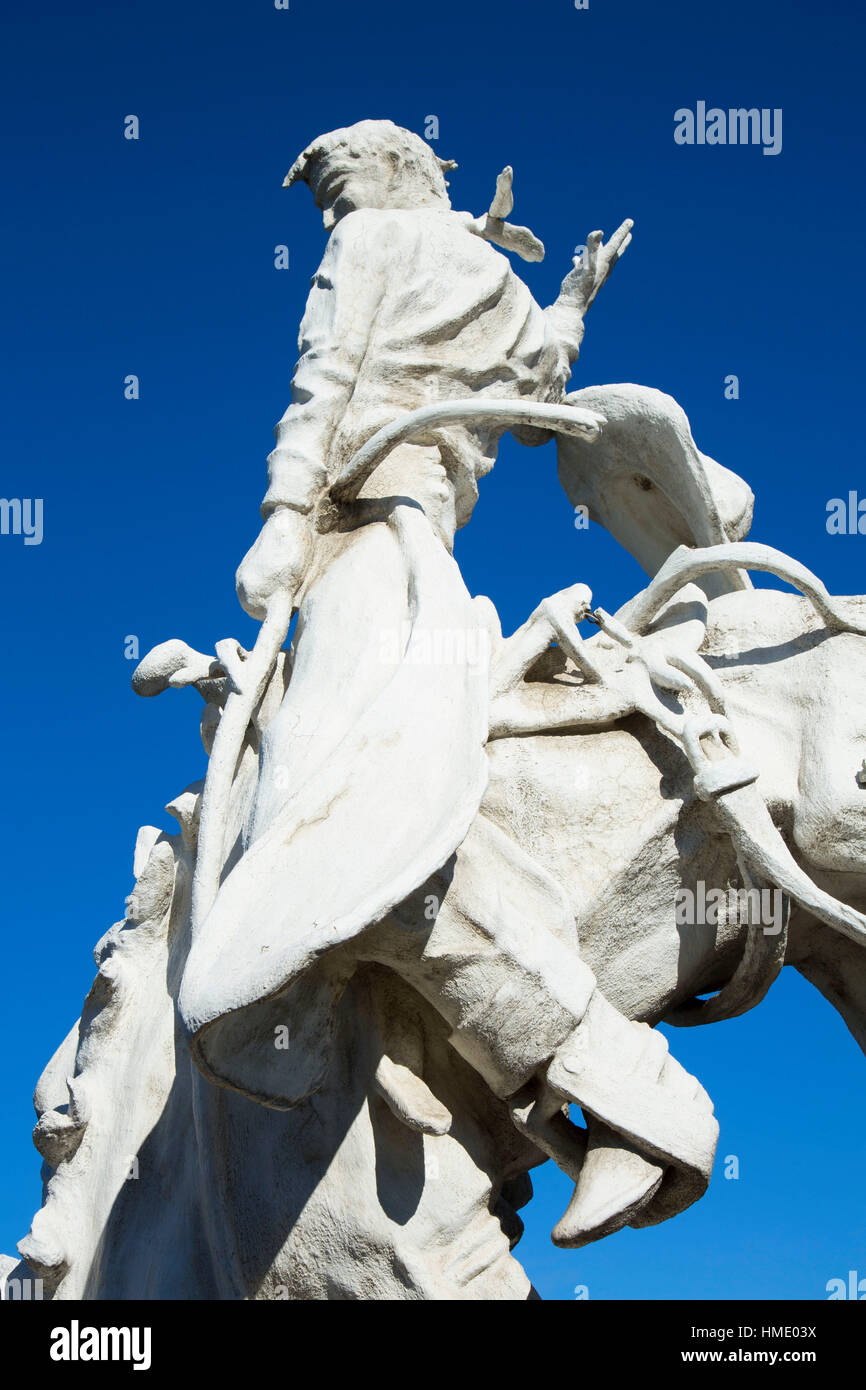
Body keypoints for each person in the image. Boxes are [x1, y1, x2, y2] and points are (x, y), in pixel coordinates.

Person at [178, 120, 718, 1247]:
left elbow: (321, 381)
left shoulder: (372, 239)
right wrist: (567, 298)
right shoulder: (484, 274)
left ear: (391, 174)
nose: (328, 206)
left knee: (346, 837)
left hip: (367, 541)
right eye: (321, 194)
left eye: (335, 181)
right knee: (367, 820)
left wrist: (284, 519)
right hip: (415, 547)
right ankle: (534, 1111)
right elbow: (537, 371)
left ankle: (623, 1090)